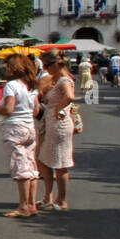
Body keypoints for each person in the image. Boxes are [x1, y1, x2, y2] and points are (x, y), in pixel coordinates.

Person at [0, 55, 41, 217]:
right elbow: (36, 110)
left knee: (20, 167)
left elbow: (8, 109)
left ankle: (23, 206)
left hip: (14, 127)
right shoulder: (32, 86)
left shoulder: (11, 85)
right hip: (29, 126)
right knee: (31, 166)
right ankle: (31, 204)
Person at [37, 52, 76, 210]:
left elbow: (69, 96)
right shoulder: (57, 80)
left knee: (59, 163)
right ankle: (48, 197)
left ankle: (61, 200)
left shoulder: (64, 80)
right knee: (44, 160)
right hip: (51, 124)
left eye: (47, 65)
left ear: (56, 64)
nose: (45, 68)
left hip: (59, 125)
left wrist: (59, 109)